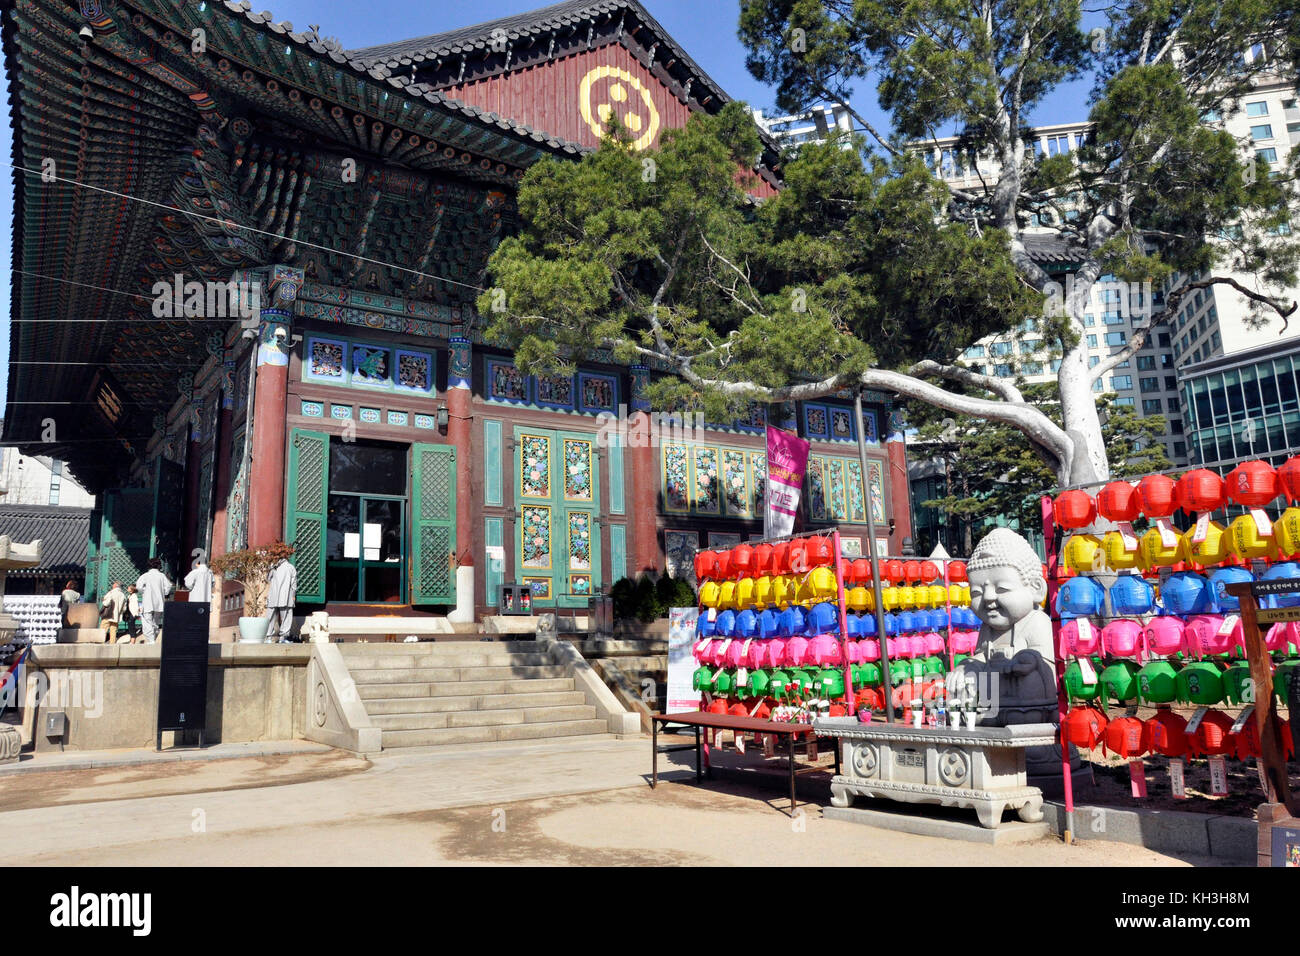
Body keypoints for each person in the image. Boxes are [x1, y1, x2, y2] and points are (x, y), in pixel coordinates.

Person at [135, 558, 173, 644]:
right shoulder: (162, 576)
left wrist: (144, 591)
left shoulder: (145, 575)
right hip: (159, 601)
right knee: (156, 621)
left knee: (147, 620)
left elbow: (139, 587)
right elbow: (168, 586)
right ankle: (153, 637)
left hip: (148, 600)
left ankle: (151, 639)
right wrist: (164, 592)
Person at [265, 556, 298, 643]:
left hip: (273, 595)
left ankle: (268, 637)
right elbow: (294, 585)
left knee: (270, 616)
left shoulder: (273, 567)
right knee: (286, 617)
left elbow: (267, 579)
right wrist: (293, 596)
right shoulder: (291, 567)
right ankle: (283, 637)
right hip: (286, 596)